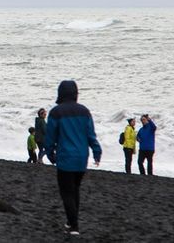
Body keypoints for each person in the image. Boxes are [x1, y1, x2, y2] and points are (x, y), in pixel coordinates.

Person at [43, 80, 102, 237]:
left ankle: (74, 226)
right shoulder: (84, 111)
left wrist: (49, 153)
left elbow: (50, 136)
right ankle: (70, 222)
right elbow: (91, 135)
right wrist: (97, 151)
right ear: (75, 93)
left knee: (67, 192)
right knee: (75, 189)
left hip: (65, 157)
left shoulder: (56, 112)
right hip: (82, 158)